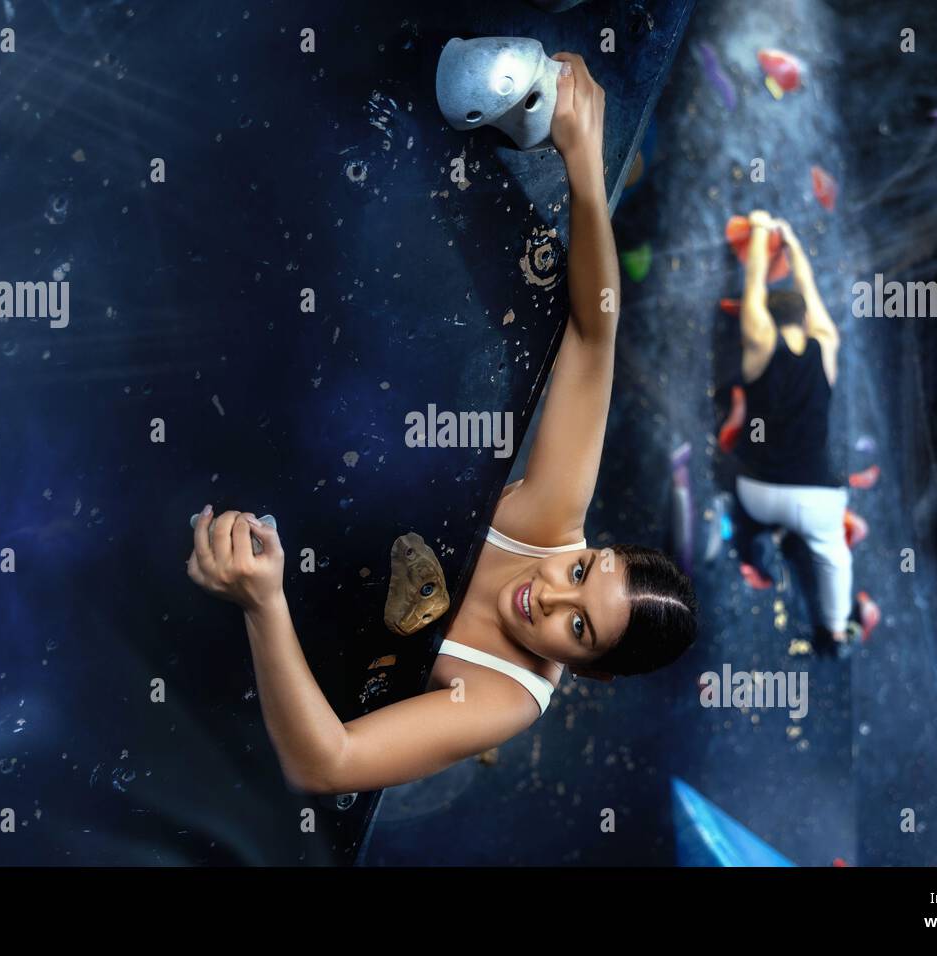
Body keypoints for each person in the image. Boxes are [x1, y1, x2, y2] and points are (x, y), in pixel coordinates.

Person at [185, 53, 698, 795]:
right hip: (315, 473)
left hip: (263, 609)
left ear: (594, 672)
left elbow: (326, 763)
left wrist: (262, 602)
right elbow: (595, 333)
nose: (550, 595)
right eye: (583, 571)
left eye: (578, 629)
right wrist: (585, 169)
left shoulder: (506, 698)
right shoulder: (555, 516)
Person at [732, 210, 868, 649]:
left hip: (759, 492)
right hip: (816, 500)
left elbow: (753, 289)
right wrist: (792, 244)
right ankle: (832, 629)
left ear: (769, 320)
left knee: (742, 504)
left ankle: (758, 545)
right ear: (804, 318)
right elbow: (809, 295)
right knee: (834, 560)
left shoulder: (759, 342)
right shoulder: (825, 344)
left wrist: (758, 230)